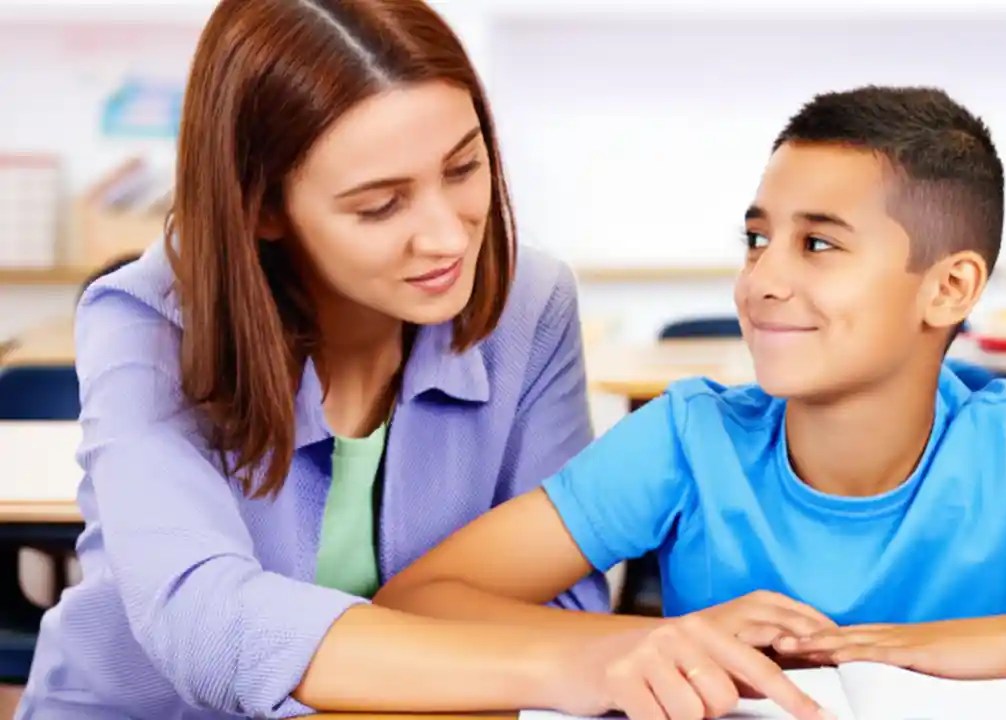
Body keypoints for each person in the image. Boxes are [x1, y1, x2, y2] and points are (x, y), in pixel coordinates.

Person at [18, 2, 825, 718]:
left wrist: (597, 654)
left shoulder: (529, 303)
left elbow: (561, 588)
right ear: (261, 208)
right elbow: (204, 620)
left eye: (464, 168)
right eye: (380, 205)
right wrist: (577, 661)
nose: (447, 237)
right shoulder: (147, 318)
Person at [376, 86, 1006, 716]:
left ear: (949, 288)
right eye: (757, 237)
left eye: (818, 246)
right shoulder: (686, 440)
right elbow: (421, 600)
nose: (760, 279)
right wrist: (649, 642)